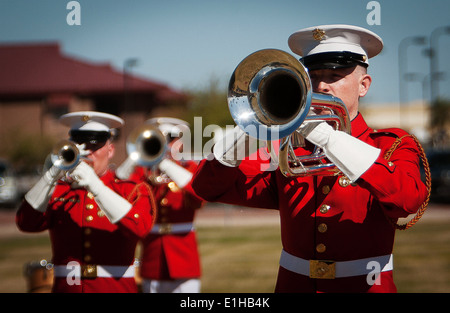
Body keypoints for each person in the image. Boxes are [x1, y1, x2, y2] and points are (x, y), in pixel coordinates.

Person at [191, 25, 429, 293]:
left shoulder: (391, 144)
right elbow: (207, 187)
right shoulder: (288, 150)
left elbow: (407, 201)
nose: (321, 86)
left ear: (363, 86)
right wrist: (256, 123)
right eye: (313, 77)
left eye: (334, 75)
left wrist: (329, 138)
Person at [16, 111, 156, 293]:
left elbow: (140, 227)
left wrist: (96, 186)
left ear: (110, 150)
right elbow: (26, 222)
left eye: (95, 145)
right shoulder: (59, 189)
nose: (88, 152)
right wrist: (53, 173)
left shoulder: (130, 189)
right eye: (79, 143)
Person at [116, 117, 204, 293]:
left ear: (181, 142)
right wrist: (137, 156)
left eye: (170, 139)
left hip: (183, 257)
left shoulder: (190, 168)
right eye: (160, 139)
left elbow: (198, 193)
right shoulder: (143, 172)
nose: (166, 145)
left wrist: (164, 162)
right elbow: (119, 185)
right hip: (152, 257)